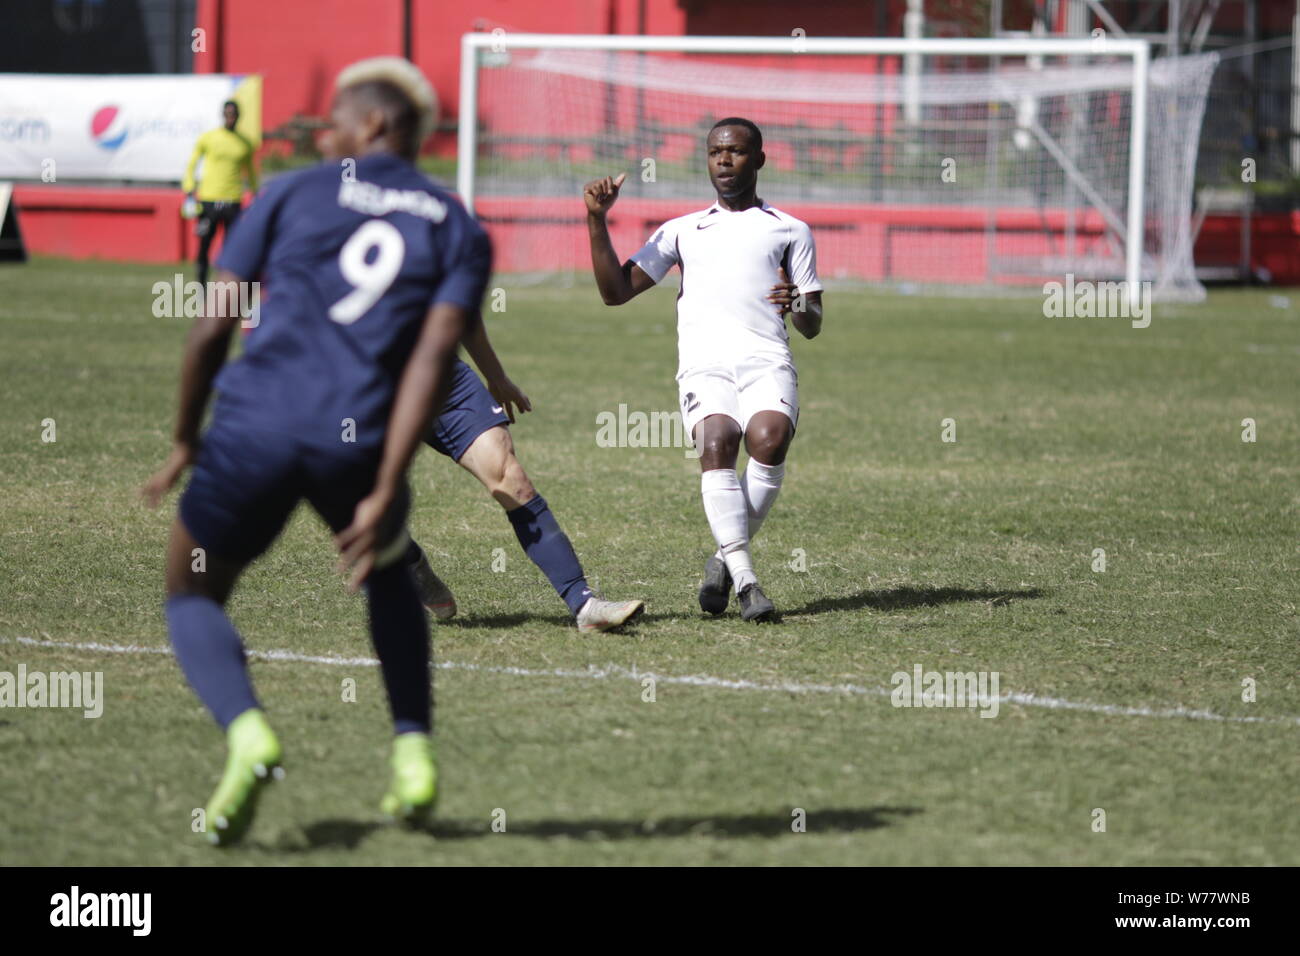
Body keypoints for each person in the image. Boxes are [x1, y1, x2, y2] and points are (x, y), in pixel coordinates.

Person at [142, 57, 481, 844]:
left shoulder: (292, 190)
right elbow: (432, 366)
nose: (321, 132)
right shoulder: (457, 223)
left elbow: (211, 326)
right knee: (389, 575)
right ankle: (412, 752)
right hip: (356, 441)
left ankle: (248, 732)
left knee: (191, 594)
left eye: (332, 119)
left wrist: (186, 439)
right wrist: (387, 483)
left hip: (253, 427)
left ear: (370, 127)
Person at [582, 117, 824, 622]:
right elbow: (615, 292)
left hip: (766, 360)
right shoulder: (681, 231)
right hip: (704, 366)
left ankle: (722, 558)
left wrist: (797, 299)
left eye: (736, 152)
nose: (724, 161)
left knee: (770, 438)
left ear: (758, 159)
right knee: (717, 444)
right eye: (716, 152)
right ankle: (747, 583)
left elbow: (812, 322)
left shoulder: (789, 230)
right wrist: (596, 221)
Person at [403, 317, 645, 632]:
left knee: (512, 480)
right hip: (363, 387)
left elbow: (461, 309)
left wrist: (496, 375)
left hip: (441, 378)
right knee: (361, 494)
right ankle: (408, 561)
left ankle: (584, 605)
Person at [182, 99, 257, 286]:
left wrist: (256, 193)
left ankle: (225, 289)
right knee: (204, 245)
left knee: (232, 248)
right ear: (222, 115)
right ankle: (201, 287)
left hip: (233, 201)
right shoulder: (208, 138)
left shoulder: (245, 143)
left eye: (233, 114)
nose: (230, 118)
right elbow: (192, 164)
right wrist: (189, 188)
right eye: (227, 114)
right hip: (208, 200)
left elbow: (250, 171)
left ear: (238, 117)